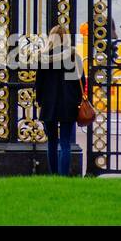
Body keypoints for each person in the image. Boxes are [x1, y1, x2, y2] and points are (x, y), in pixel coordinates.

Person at [34, 26, 84, 175]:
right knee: (65, 143)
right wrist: (77, 99)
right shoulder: (74, 56)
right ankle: (63, 176)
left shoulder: (44, 57)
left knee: (52, 142)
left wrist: (40, 101)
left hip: (49, 104)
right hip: (69, 103)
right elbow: (81, 80)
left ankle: (54, 175)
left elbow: (39, 83)